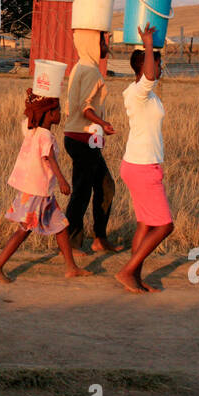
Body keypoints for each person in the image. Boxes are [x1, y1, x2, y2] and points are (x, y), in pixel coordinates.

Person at [0, 90, 92, 284]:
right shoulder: (46, 136)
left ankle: (71, 267)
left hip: (40, 190)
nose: (62, 114)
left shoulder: (31, 130)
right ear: (50, 113)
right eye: (59, 110)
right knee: (24, 230)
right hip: (37, 190)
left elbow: (28, 119)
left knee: (60, 226)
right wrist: (62, 180)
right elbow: (49, 158)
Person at [114, 25, 174, 293]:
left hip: (137, 164)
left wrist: (151, 48)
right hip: (142, 166)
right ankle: (128, 271)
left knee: (145, 222)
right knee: (164, 225)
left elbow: (150, 76)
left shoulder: (142, 92)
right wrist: (149, 44)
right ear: (146, 65)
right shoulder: (139, 91)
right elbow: (149, 73)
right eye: (159, 63)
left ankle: (134, 277)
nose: (160, 68)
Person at [63, 29, 121, 253]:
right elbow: (84, 107)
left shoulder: (82, 66)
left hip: (84, 136)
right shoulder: (91, 71)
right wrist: (103, 123)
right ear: (91, 45)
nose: (106, 48)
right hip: (83, 137)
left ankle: (99, 239)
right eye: (103, 43)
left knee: (104, 186)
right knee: (82, 191)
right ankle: (71, 243)